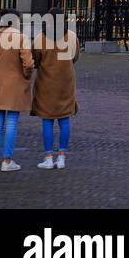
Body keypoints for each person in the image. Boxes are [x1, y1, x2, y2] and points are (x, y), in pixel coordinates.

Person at [0, 11, 34, 172]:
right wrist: (25, 76)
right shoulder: (21, 38)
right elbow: (28, 64)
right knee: (12, 122)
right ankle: (7, 161)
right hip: (16, 85)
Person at [31, 11, 78, 170]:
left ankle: (49, 157)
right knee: (64, 119)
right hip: (66, 83)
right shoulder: (71, 36)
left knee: (47, 119)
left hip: (46, 83)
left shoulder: (40, 38)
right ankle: (62, 158)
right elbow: (75, 56)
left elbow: (35, 60)